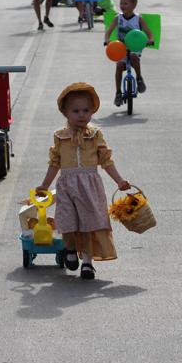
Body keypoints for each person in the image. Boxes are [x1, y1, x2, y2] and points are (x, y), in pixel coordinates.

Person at [34, 82, 130, 279]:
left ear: (92, 111)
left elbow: (106, 161)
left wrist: (119, 180)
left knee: (88, 224)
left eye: (86, 110)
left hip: (89, 186)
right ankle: (70, 250)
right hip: (67, 186)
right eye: (76, 111)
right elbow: (55, 163)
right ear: (66, 113)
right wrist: (45, 185)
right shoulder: (60, 137)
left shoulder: (95, 135)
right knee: (66, 221)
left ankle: (87, 262)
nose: (82, 115)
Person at [103, 0, 155, 106]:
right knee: (119, 66)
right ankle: (118, 92)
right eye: (121, 3)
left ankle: (139, 78)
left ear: (133, 5)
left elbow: (148, 32)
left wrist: (150, 40)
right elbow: (109, 31)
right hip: (120, 47)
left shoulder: (138, 18)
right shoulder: (118, 18)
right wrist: (107, 40)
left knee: (133, 56)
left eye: (125, 3)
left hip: (135, 46)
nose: (122, 5)